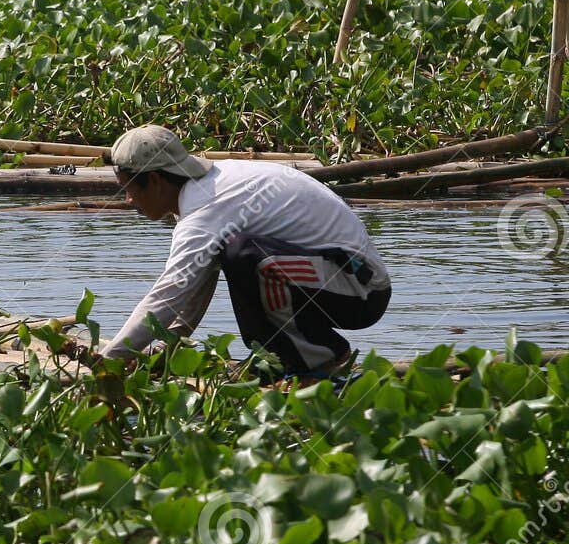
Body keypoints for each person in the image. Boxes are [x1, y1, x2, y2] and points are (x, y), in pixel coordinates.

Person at [99, 125, 391, 381]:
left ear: (154, 181)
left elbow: (169, 295)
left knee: (243, 254)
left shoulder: (205, 208)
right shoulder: (203, 189)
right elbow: (193, 290)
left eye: (128, 189)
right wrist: (162, 349)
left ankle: (317, 358)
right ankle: (282, 356)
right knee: (239, 253)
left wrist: (110, 358)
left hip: (361, 291)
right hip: (334, 278)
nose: (129, 200)